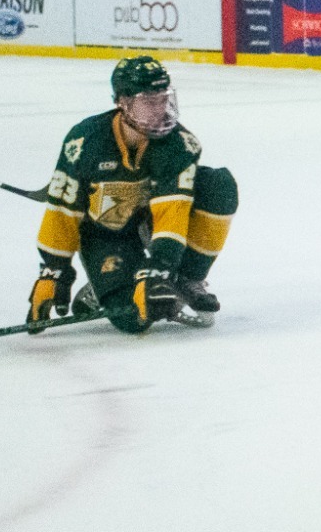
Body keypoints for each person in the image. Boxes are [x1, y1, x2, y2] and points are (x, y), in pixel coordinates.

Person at [27, 57, 237, 334]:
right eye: (149, 101)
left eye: (163, 99)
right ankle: (105, 283)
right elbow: (63, 210)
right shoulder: (84, 142)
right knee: (134, 321)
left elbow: (172, 213)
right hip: (106, 233)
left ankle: (187, 279)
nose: (160, 109)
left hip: (151, 224)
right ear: (123, 102)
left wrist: (158, 269)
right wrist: (54, 271)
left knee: (218, 184)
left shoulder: (179, 145)